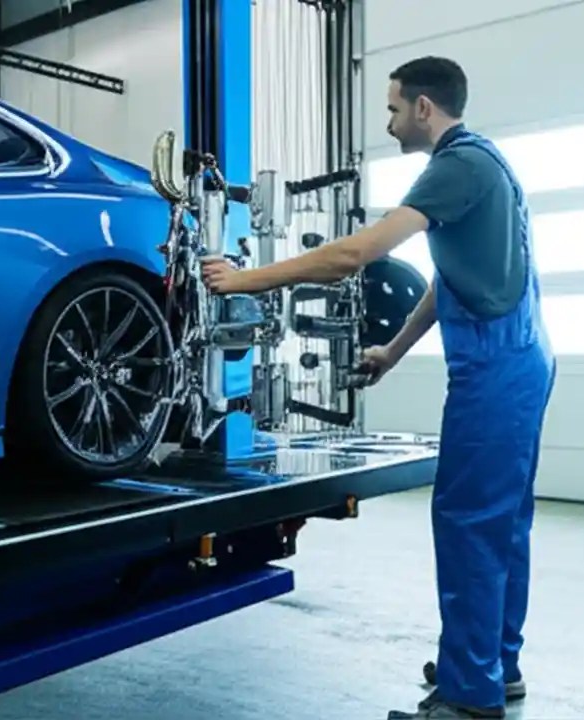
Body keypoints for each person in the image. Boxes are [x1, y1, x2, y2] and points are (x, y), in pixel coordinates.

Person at [202, 56, 557, 720]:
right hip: (521, 359)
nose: (389, 122)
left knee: (470, 524)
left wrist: (242, 280)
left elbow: (352, 255)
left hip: (497, 369)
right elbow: (448, 279)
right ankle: (493, 665)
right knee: (503, 524)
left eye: (393, 108)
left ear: (425, 109)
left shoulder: (456, 167)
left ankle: (470, 696)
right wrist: (392, 351)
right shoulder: (485, 162)